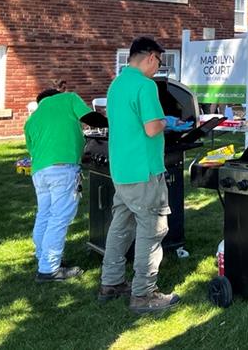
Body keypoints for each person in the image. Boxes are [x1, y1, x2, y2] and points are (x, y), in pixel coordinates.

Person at [99, 37, 180, 314]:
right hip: (144, 171)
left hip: (122, 169)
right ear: (150, 57)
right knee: (152, 229)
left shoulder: (116, 84)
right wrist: (167, 121)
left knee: (120, 226)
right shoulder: (146, 86)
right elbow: (151, 127)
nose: (158, 68)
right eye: (159, 62)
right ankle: (144, 294)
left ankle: (111, 282)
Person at [25, 88, 107, 282]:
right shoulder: (68, 98)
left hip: (39, 172)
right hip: (62, 169)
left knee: (44, 215)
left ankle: (43, 257)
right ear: (56, 95)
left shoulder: (32, 120)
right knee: (59, 218)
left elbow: (34, 149)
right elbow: (91, 119)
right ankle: (49, 269)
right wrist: (115, 121)